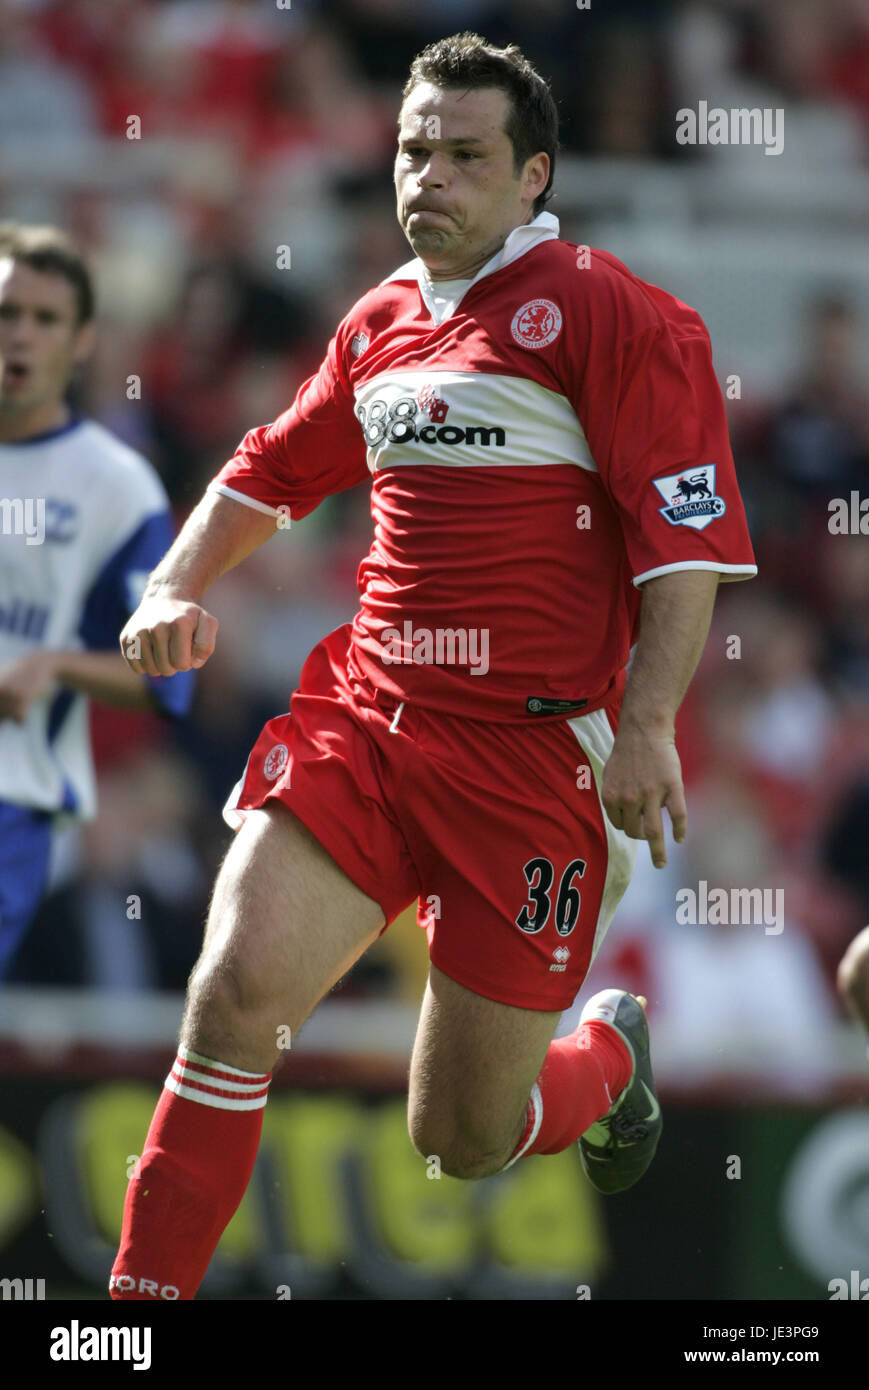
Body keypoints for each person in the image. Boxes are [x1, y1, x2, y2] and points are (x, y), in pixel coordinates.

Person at [110, 33, 756, 1302]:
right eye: (414, 150)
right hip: (371, 717)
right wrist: (175, 580)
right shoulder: (379, 323)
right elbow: (268, 469)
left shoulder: (607, 312)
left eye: (466, 157)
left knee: (457, 1139)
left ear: (532, 178)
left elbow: (686, 543)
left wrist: (646, 726)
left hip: (533, 765)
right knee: (234, 994)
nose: (430, 178)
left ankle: (607, 1064)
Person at [0, 223, 194, 977]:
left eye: (45, 320)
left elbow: (166, 674)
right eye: (7, 315)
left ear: (79, 342)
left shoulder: (117, 488)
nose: (21, 338)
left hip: (57, 807)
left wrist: (53, 666)